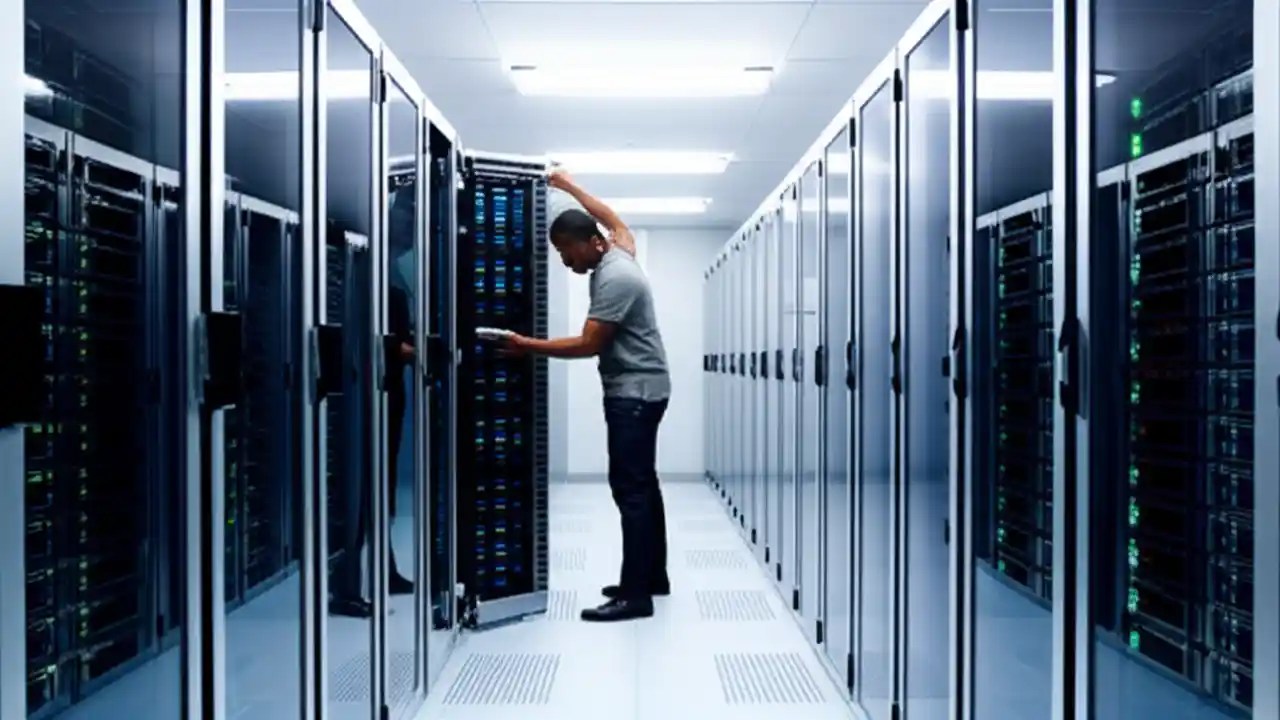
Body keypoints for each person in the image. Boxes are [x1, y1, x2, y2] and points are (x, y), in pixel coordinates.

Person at [498, 170, 672, 622]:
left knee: (630, 491)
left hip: (633, 392)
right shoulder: (617, 250)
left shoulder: (616, 279)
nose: (563, 261)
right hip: (647, 388)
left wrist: (526, 345)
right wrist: (568, 187)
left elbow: (589, 343)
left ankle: (636, 596)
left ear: (587, 243)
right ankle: (653, 576)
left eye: (563, 252)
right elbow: (611, 217)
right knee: (644, 486)